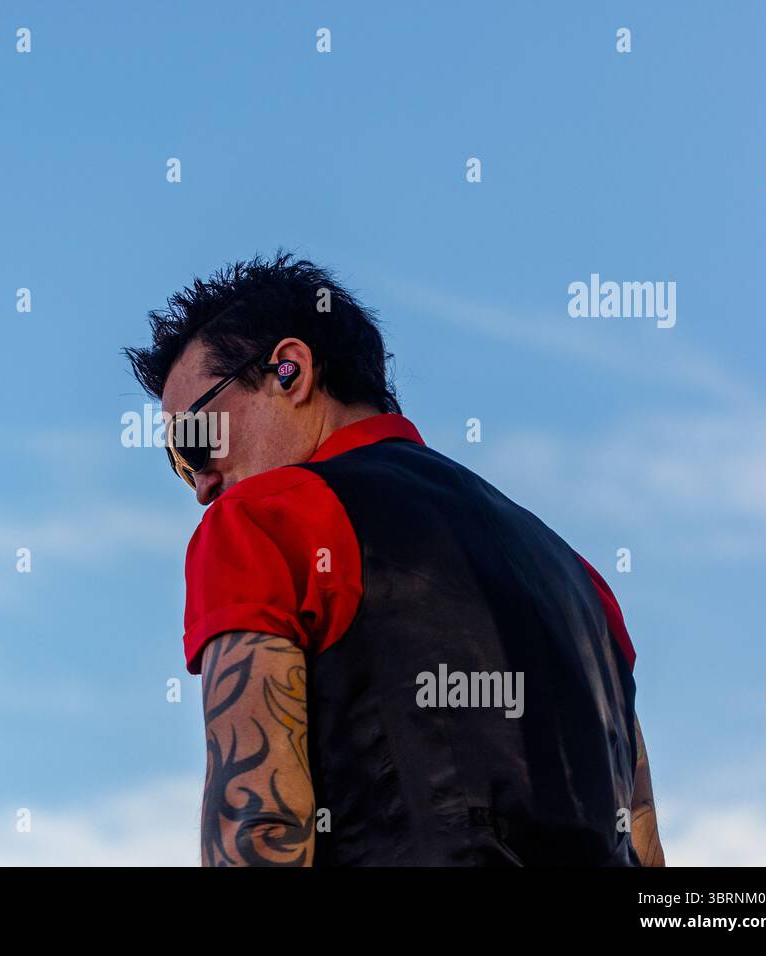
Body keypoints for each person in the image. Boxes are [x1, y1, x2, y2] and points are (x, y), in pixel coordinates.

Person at [124, 251, 664, 866]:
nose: (200, 482)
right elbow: (645, 849)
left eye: (192, 438)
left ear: (288, 371)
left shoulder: (266, 519)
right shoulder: (585, 585)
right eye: (179, 463)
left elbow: (257, 825)